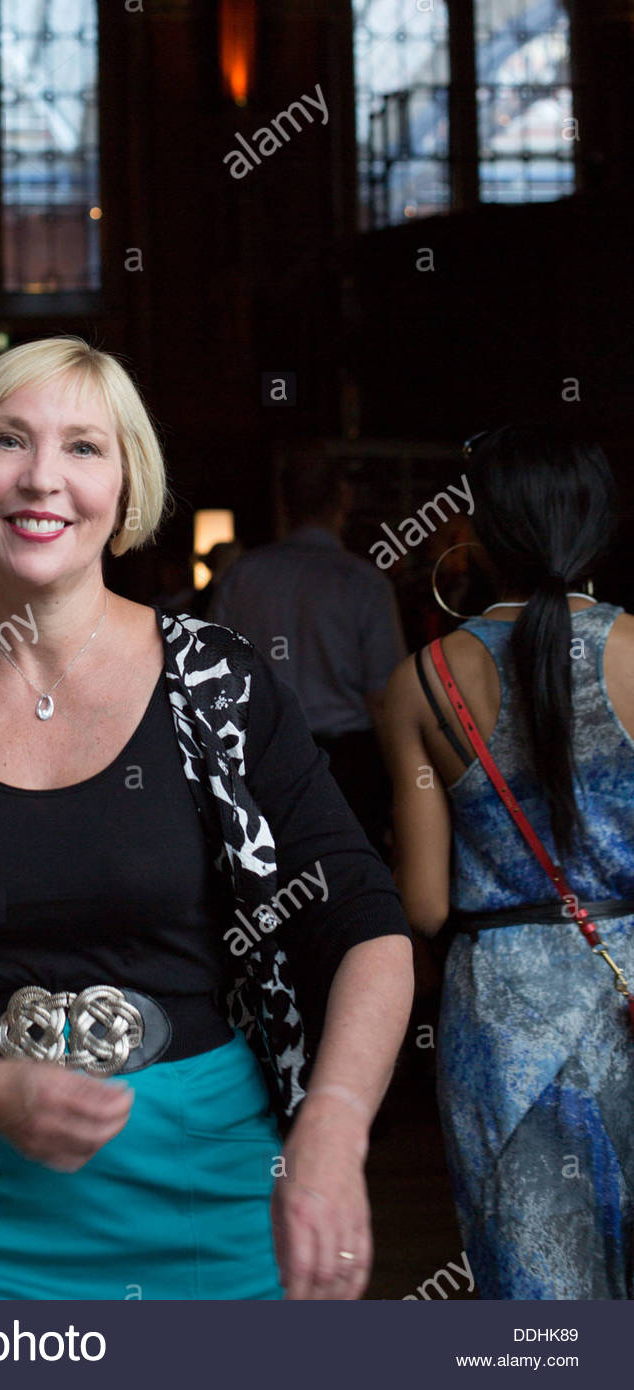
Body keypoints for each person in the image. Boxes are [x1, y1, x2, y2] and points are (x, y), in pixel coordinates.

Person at [0, 337, 413, 1301]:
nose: (44, 478)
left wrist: (333, 1125)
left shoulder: (217, 683)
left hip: (209, 1198)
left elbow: (368, 921)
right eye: (8, 440)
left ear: (127, 490)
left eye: (85, 447)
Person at [381, 423, 634, 1299]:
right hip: (630, 987)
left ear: (483, 534)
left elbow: (423, 904)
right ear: (599, 527)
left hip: (502, 1012)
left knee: (537, 1285)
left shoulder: (423, 682)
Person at [209, 456, 405, 857]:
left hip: (258, 760)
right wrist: (404, 789)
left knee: (268, 882)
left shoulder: (242, 576)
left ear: (283, 503)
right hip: (347, 766)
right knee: (348, 883)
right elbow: (383, 698)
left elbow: (212, 679)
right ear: (344, 500)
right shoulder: (364, 582)